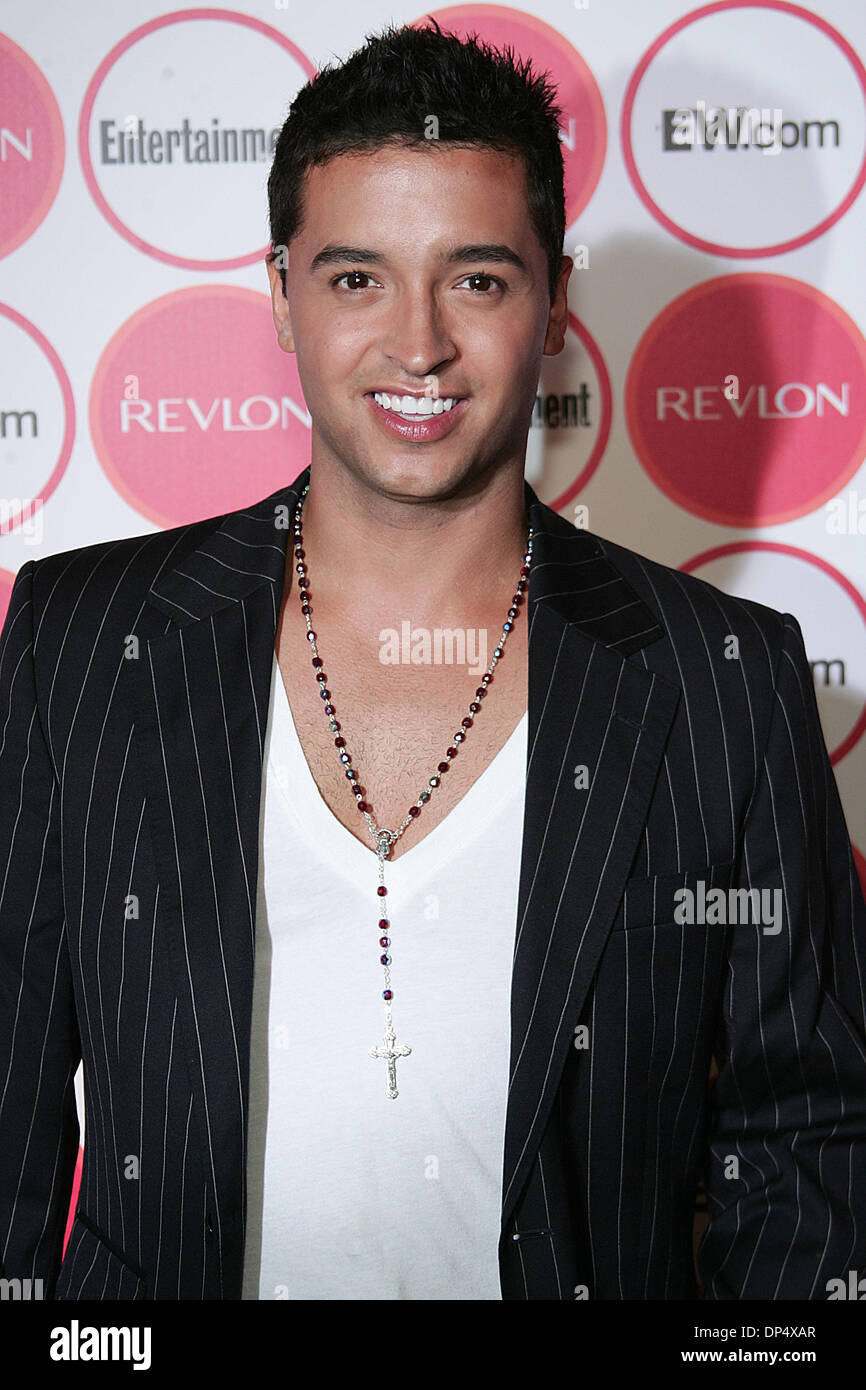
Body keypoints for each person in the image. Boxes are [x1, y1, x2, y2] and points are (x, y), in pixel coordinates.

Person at [0, 18, 864, 1303]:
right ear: (280, 295)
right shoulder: (82, 639)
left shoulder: (719, 676)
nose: (416, 345)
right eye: (356, 279)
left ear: (554, 300)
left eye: (475, 278)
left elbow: (806, 1134)